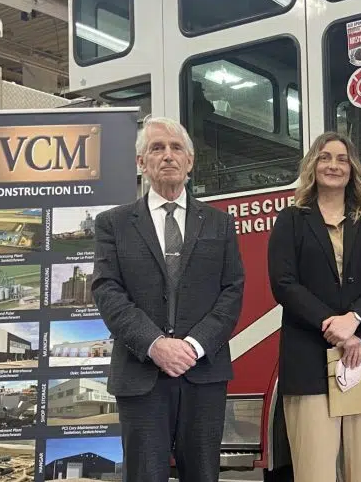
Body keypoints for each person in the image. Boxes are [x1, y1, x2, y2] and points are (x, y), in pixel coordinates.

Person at [92, 115, 245, 482]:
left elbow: (232, 290)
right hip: (141, 374)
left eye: (177, 148)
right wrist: (155, 344)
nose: (168, 155)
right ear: (140, 163)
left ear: (190, 161)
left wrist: (192, 345)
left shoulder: (219, 223)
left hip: (203, 374)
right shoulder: (113, 224)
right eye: (156, 148)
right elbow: (107, 290)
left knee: (204, 476)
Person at [267, 131, 361, 482]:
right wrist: (331, 324)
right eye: (325, 157)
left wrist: (354, 320)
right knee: (315, 471)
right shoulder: (290, 220)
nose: (333, 165)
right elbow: (283, 283)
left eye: (342, 159)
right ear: (312, 165)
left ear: (352, 169)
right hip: (308, 359)